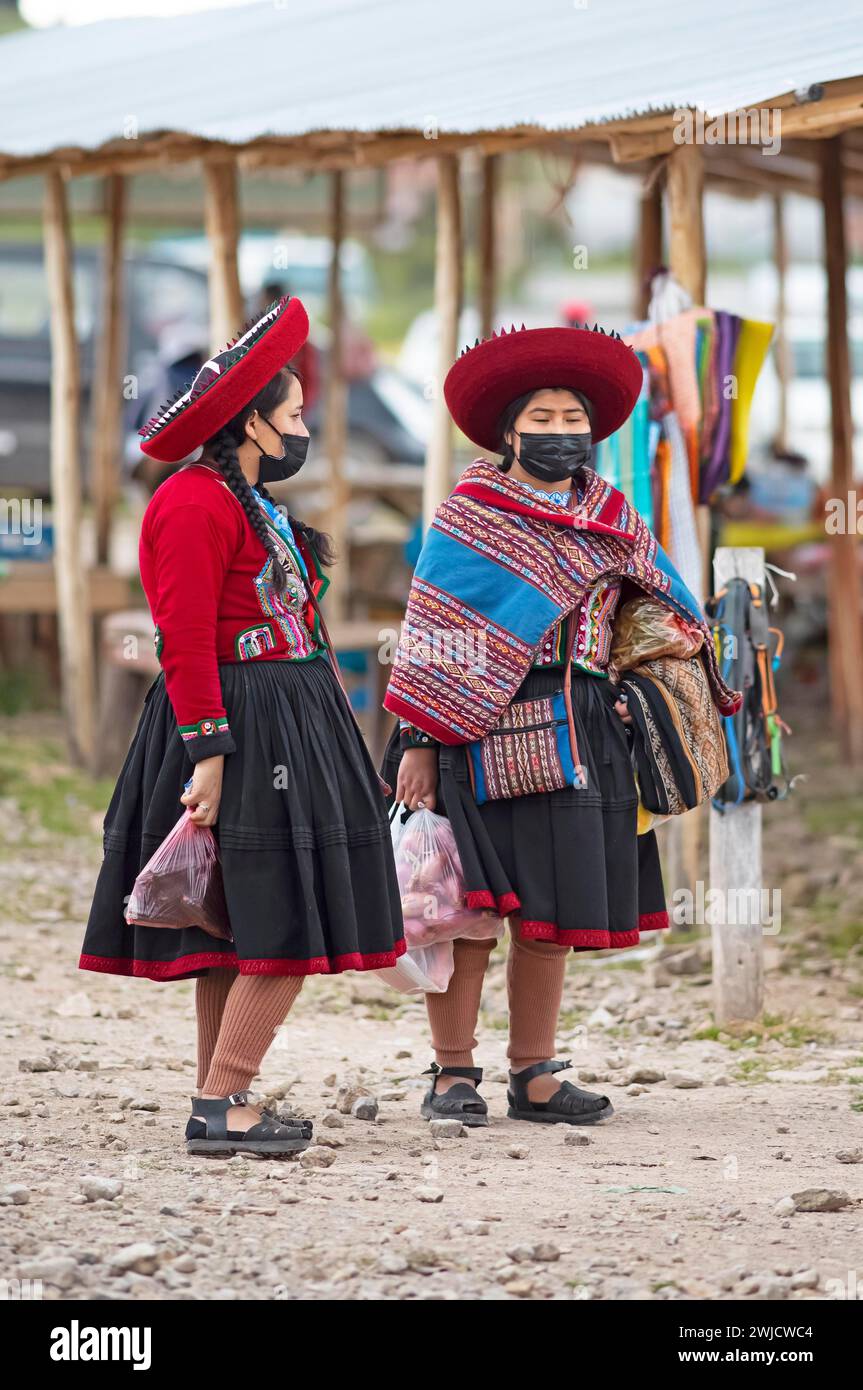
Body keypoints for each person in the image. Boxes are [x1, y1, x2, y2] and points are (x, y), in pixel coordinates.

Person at [381, 323, 739, 1128]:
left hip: (582, 731)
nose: (557, 433)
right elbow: (435, 632)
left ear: (593, 429)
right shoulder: (469, 516)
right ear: (508, 430)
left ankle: (534, 1074)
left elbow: (667, 615)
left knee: (550, 919)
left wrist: (639, 694)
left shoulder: (615, 516)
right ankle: (451, 1075)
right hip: (472, 725)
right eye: (539, 419)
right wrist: (421, 740)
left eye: (570, 418)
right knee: (469, 913)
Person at [79, 295, 405, 1159]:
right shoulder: (191, 504)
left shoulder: (249, 503)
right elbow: (182, 639)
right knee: (283, 919)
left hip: (292, 719)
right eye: (293, 414)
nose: (305, 426)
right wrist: (209, 753)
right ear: (253, 424)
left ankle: (221, 1098)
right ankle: (223, 1104)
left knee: (239, 924)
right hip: (244, 728)